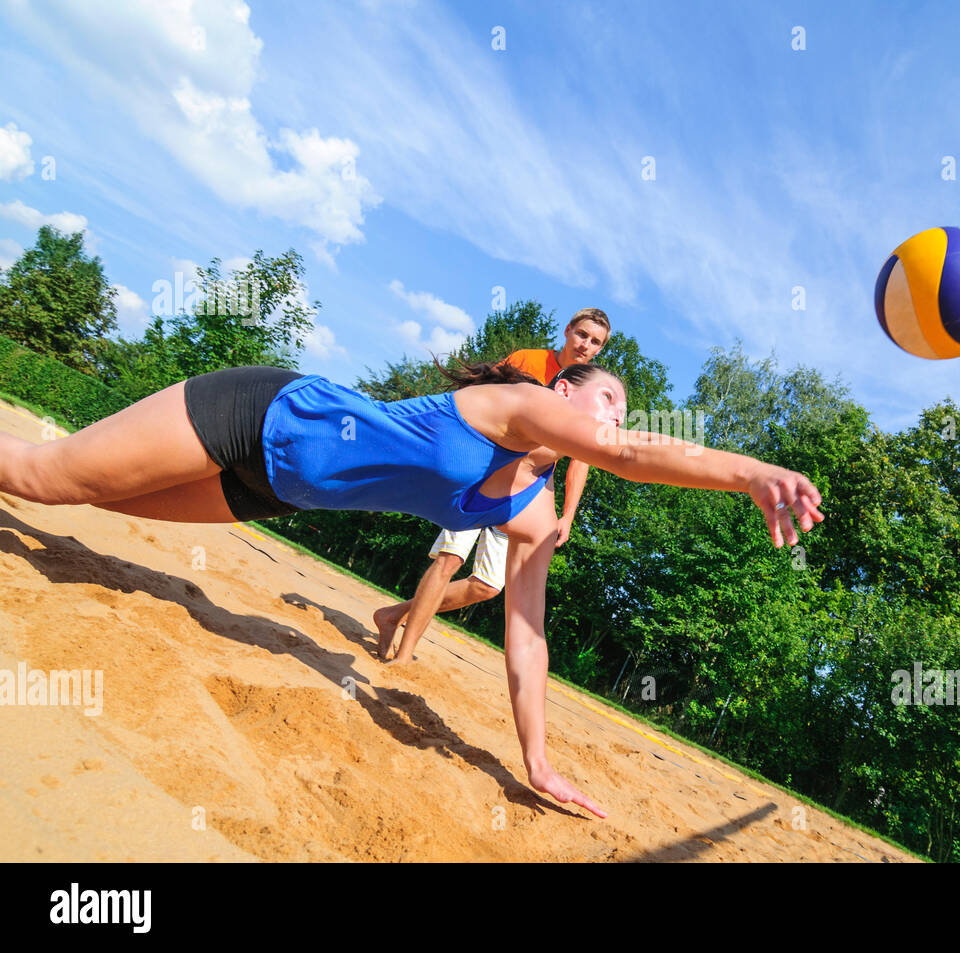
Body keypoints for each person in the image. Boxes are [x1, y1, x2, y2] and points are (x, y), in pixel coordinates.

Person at [0, 361, 823, 818]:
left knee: (91, 494)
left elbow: (527, 637)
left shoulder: (531, 518)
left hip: (273, 490)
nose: (608, 418)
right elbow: (632, 454)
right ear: (563, 391)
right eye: (604, 398)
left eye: (619, 408)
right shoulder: (516, 403)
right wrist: (750, 472)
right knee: (42, 476)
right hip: (262, 412)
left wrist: (536, 760)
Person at [374, 308, 609, 663]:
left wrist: (568, 514)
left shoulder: (589, 392)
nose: (585, 345)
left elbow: (582, 456)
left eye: (595, 342)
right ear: (567, 331)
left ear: (600, 349)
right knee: (449, 560)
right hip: (483, 470)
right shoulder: (528, 360)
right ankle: (404, 656)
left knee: (486, 586)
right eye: (582, 334)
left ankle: (392, 615)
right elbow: (478, 397)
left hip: (523, 492)